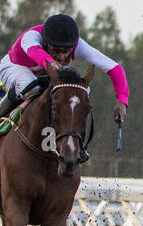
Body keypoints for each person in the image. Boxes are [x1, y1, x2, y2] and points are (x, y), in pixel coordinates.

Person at [0, 14, 129, 161]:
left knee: (82, 92)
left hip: (46, 73)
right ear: (46, 42)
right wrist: (50, 61)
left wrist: (122, 101)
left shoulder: (78, 45)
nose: (61, 56)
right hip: (15, 66)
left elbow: (115, 68)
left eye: (66, 51)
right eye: (55, 50)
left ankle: (75, 143)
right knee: (32, 87)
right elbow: (35, 52)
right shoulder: (31, 36)